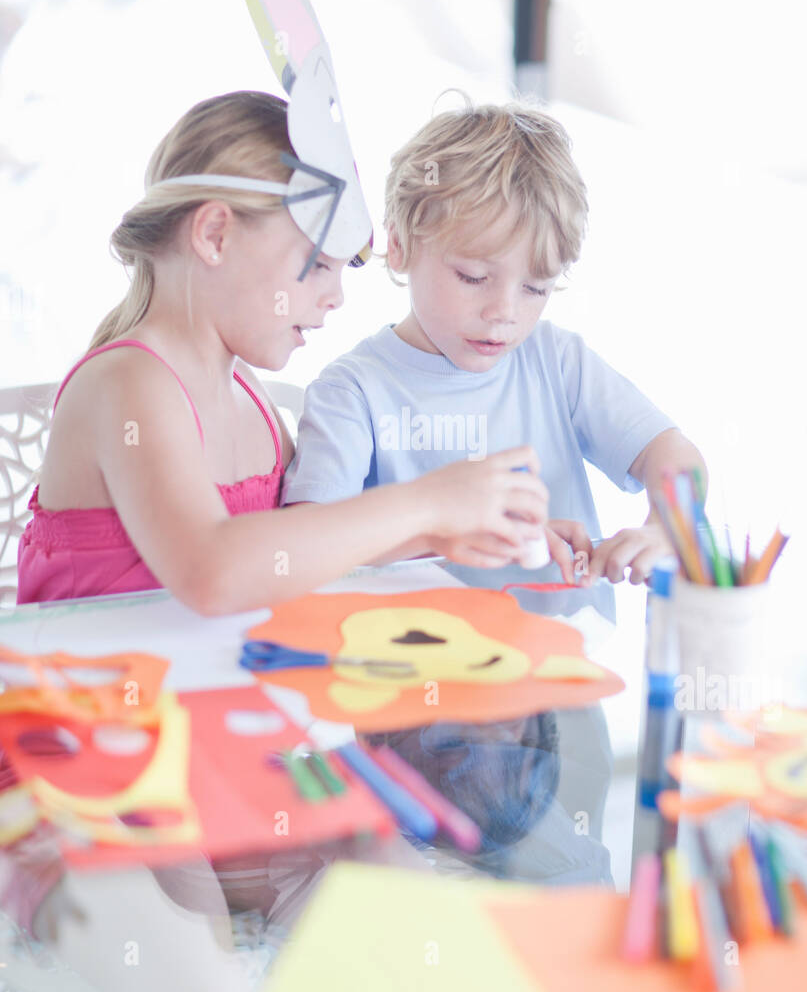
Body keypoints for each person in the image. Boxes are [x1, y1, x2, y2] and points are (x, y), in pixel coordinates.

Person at [16, 91, 549, 611]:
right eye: (318, 265)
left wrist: (449, 529)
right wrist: (426, 502)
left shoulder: (250, 394)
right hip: (99, 696)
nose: (335, 297)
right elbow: (212, 572)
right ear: (216, 234)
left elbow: (295, 554)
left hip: (209, 692)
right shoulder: (129, 383)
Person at [282, 100, 707, 619]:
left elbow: (674, 455)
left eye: (535, 287)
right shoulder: (353, 391)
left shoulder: (555, 361)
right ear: (397, 245)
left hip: (567, 666)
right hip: (410, 671)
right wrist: (440, 529)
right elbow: (304, 548)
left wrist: (668, 527)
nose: (504, 312)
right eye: (473, 277)